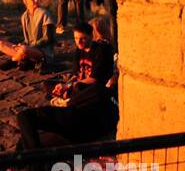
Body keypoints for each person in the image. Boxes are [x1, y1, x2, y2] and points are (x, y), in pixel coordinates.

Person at [15, 17, 117, 149]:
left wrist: (70, 93)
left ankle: (35, 162)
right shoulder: (80, 52)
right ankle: (31, 162)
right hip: (76, 122)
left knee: (24, 118)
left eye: (83, 38)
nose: (79, 42)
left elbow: (95, 82)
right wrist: (66, 86)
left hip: (77, 115)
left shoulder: (103, 52)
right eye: (76, 38)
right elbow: (76, 76)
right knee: (24, 141)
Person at [0, 0, 56, 71]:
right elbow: (27, 40)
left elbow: (48, 38)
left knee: (24, 49)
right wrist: (19, 45)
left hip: (42, 51)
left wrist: (29, 46)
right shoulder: (24, 17)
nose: (36, 0)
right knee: (1, 44)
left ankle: (13, 61)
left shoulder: (44, 13)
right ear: (26, 1)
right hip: (28, 49)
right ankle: (23, 58)